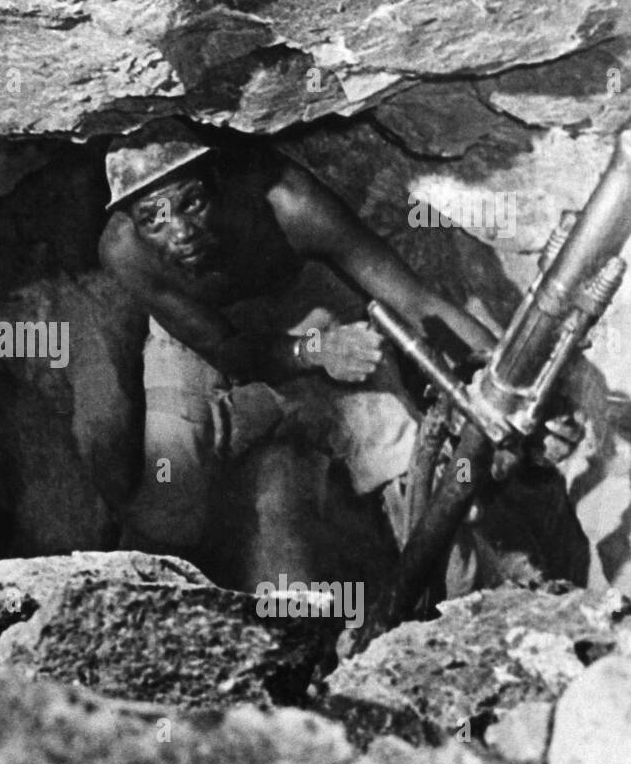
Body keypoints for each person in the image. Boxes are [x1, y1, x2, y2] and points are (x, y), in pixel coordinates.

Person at [98, 118, 505, 591]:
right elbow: (229, 351)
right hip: (196, 335)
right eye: (153, 218)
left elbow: (416, 301)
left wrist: (509, 376)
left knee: (399, 448)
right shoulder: (124, 252)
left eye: (191, 203)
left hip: (304, 305)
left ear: (220, 184)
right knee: (172, 489)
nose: (181, 231)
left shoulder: (291, 204)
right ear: (131, 220)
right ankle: (125, 605)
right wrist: (314, 355)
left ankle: (470, 602)